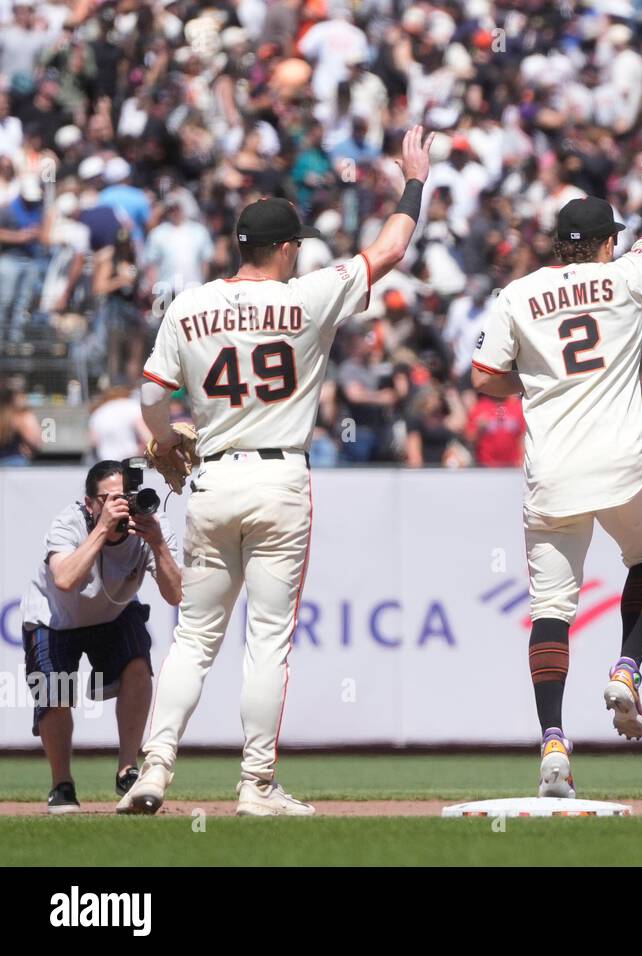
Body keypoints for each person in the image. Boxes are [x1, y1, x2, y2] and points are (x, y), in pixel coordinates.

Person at [118, 127, 435, 817]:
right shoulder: (309, 296)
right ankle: (255, 785)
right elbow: (390, 248)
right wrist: (414, 178)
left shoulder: (190, 304)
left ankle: (152, 770)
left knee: (194, 640)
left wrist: (166, 443)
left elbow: (149, 398)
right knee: (266, 643)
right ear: (287, 247)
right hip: (279, 480)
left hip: (210, 478)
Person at [471, 88, 642, 799]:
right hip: (622, 462)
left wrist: (536, 383)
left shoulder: (517, 295)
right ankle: (628, 667)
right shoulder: (624, 278)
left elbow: (484, 379)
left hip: (553, 473)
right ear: (608, 242)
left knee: (551, 608)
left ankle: (552, 747)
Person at [21, 461, 181, 813]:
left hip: (114, 610)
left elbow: (175, 594)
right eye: (108, 500)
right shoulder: (70, 522)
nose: (118, 507)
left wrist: (158, 544)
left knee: (138, 666)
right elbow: (65, 579)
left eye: (123, 498)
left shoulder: (149, 524)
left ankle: (127, 769)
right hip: (56, 616)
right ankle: (62, 784)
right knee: (54, 690)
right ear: (89, 503)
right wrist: (102, 530)